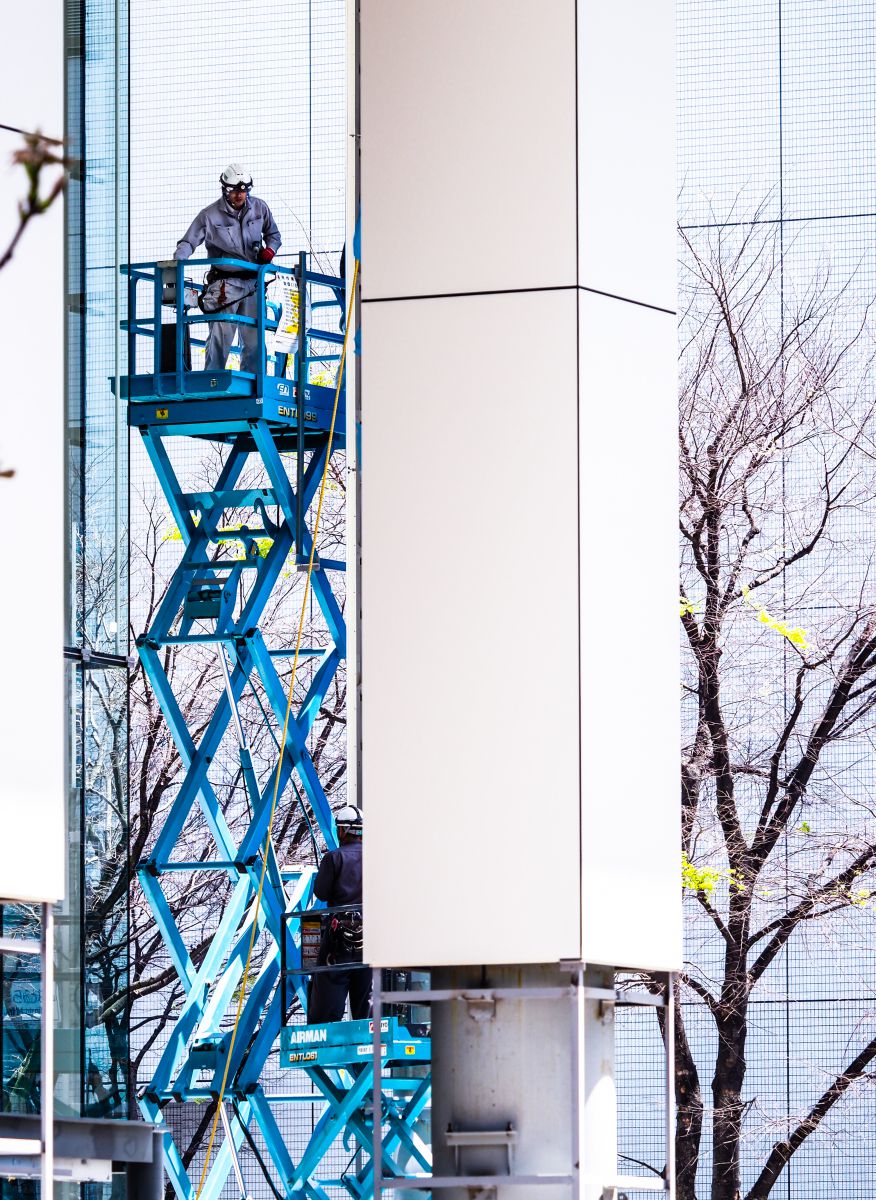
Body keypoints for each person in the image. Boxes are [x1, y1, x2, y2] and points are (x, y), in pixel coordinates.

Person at [174, 164, 282, 373]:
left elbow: (274, 235)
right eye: (234, 190)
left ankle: (254, 385)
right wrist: (177, 264)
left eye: (243, 190)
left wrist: (270, 250)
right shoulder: (210, 215)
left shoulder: (260, 208)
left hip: (253, 284)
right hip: (225, 286)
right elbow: (188, 242)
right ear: (225, 189)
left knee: (254, 338)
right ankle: (212, 381)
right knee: (221, 336)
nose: (239, 194)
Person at [306, 804, 371, 1024]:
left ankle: (323, 1040)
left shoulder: (334, 858)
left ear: (341, 831)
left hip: (338, 940)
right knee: (366, 999)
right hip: (372, 940)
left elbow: (321, 892)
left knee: (327, 997)